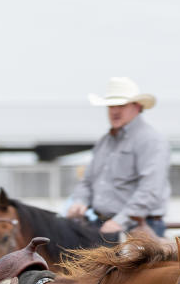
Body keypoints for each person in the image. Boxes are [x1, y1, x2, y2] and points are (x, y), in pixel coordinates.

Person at [65, 77, 170, 240]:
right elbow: (88, 180)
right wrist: (80, 201)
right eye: (111, 106)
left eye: (121, 105)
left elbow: (150, 189)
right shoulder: (105, 141)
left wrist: (120, 221)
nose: (115, 111)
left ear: (137, 107)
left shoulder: (151, 140)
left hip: (139, 227)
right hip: (104, 225)